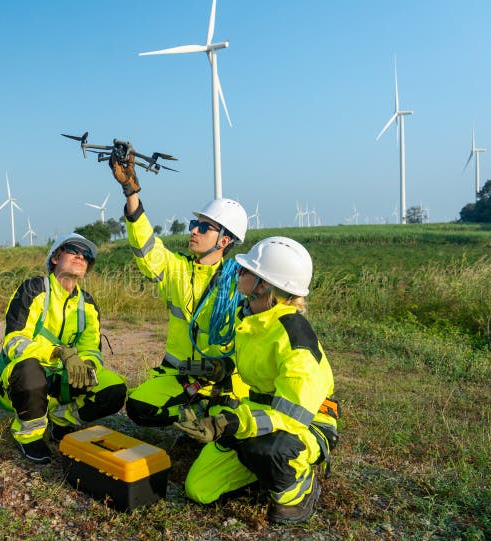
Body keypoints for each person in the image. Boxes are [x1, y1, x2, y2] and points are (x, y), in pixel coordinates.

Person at [174, 236, 339, 524]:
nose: (237, 274)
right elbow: (251, 364)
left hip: (307, 424)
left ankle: (297, 490)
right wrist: (221, 367)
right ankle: (260, 471)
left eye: (245, 271)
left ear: (265, 285)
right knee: (199, 489)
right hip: (261, 414)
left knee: (265, 448)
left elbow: (292, 415)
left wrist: (231, 423)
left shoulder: (294, 337)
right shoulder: (252, 318)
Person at [109, 153, 250, 428]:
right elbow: (146, 248)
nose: (193, 231)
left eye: (203, 227)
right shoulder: (177, 269)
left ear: (224, 240)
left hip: (226, 381)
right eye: (193, 225)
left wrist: (226, 369)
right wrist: (131, 195)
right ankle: (195, 414)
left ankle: (215, 415)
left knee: (231, 424)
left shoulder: (241, 283)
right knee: (139, 407)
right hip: (180, 376)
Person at [0, 233, 128, 464]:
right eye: (73, 249)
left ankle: (61, 420)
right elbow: (15, 341)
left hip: (62, 381)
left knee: (114, 389)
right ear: (55, 257)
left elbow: (91, 348)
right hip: (21, 381)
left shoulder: (88, 304)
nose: (81, 256)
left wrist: (86, 366)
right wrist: (59, 352)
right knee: (30, 369)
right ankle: (30, 436)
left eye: (87, 255)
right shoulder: (34, 289)